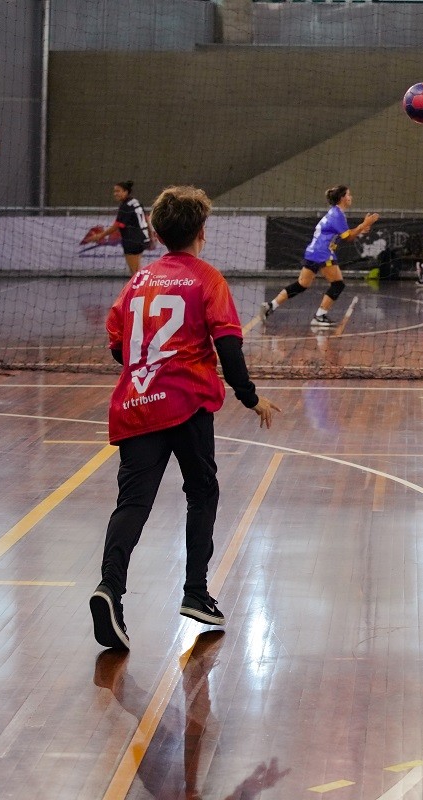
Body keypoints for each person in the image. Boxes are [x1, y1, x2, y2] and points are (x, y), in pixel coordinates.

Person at [90, 185, 281, 651]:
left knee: (132, 503)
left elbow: (118, 342)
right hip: (188, 404)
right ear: (202, 232)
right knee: (202, 491)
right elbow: (229, 346)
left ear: (154, 233)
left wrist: (146, 372)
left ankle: (109, 588)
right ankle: (195, 592)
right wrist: (249, 396)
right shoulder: (206, 280)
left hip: (136, 404)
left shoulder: (138, 282)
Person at [259, 185, 379, 327]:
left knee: (301, 284)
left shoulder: (334, 213)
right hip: (323, 253)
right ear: (342, 198)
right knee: (338, 284)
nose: (350, 197)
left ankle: (270, 306)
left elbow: (347, 235)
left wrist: (360, 229)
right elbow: (347, 238)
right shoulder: (337, 215)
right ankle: (320, 316)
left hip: (313, 251)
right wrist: (363, 225)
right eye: (348, 194)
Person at [88, 181, 153, 275]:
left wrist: (100, 236)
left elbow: (117, 225)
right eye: (114, 191)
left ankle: (143, 289)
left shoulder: (125, 206)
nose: (115, 194)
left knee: (135, 272)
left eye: (118, 191)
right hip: (142, 238)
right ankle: (142, 288)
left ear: (126, 191)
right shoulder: (135, 202)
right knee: (137, 270)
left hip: (132, 240)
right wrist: (150, 236)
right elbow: (146, 219)